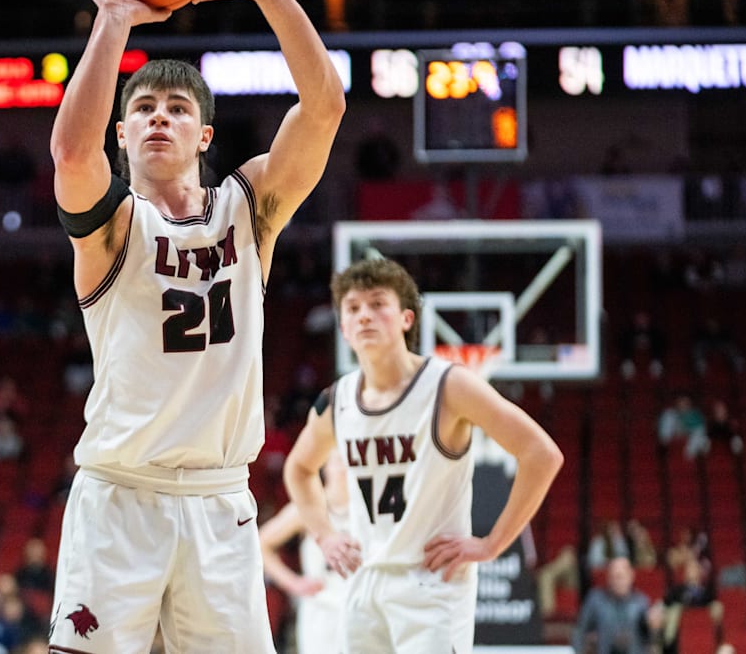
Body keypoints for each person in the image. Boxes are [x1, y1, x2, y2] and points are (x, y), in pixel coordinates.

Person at [46, 0, 346, 654]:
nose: (159, 118)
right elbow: (71, 152)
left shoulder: (250, 208)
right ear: (122, 134)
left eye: (178, 109)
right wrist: (113, 19)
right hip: (119, 494)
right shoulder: (112, 228)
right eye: (142, 109)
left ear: (204, 136)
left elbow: (324, 109)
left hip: (220, 499)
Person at [282, 256, 564, 651]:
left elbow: (542, 454)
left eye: (377, 303)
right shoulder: (337, 400)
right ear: (343, 327)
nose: (364, 315)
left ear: (406, 319)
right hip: (365, 580)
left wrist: (492, 544)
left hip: (432, 585)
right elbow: (298, 469)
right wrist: (325, 535)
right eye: (353, 308)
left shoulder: (449, 386)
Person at [259, 453, 350, 653]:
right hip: (322, 612)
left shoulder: (369, 506)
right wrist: (293, 583)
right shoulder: (309, 507)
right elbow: (261, 544)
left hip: (359, 608)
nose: (344, 468)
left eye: (348, 462)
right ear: (326, 467)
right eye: (338, 462)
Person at [571, 556, 665, 654]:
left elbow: (650, 638)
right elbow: (580, 631)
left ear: (631, 576)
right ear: (608, 578)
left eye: (620, 576)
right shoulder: (596, 600)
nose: (617, 581)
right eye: (613, 577)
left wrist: (654, 628)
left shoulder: (641, 602)